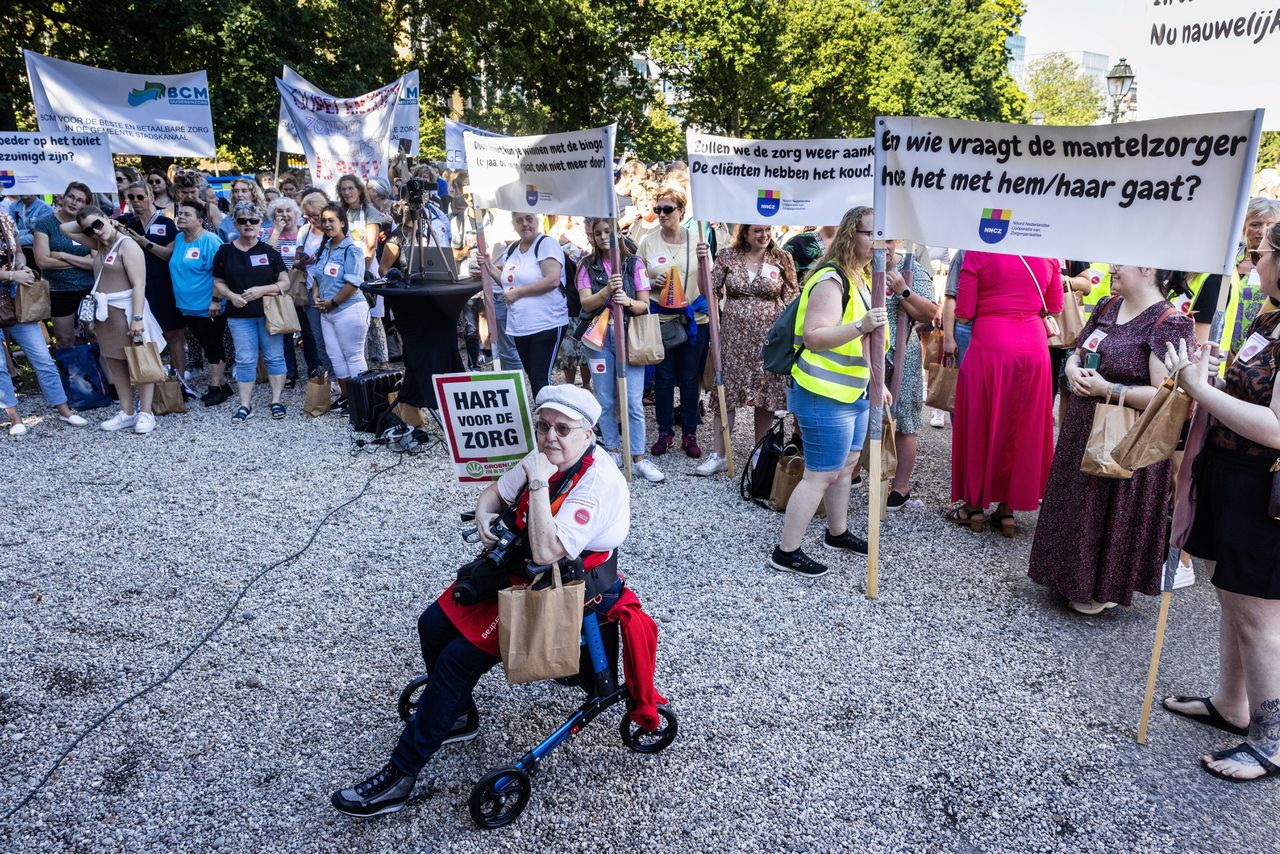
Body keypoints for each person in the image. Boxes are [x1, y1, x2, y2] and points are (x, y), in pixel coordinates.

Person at [331, 384, 652, 817]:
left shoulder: (597, 482)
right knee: (432, 624)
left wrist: (538, 484)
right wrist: (484, 516)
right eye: (543, 426)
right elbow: (495, 495)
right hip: (522, 571)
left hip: (566, 586)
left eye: (562, 429)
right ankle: (458, 716)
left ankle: (400, 777)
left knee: (457, 662)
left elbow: (545, 550)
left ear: (589, 433)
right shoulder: (545, 458)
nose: (550, 437)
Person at [1160, 223, 1280, 782]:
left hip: (1263, 488)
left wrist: (1198, 387)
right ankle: (1233, 707)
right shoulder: (1269, 315)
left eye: (1260, 253)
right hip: (1233, 477)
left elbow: (1277, 427)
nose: (1253, 262)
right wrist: (1216, 364)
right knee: (1233, 600)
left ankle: (1273, 740)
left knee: (1257, 614)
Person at [1028, 267, 1195, 613]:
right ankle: (1068, 576)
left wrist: (1110, 390)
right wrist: (1072, 370)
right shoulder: (1106, 306)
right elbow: (1077, 351)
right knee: (1078, 501)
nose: (1113, 267)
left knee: (1105, 504)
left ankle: (1098, 588)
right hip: (1083, 429)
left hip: (1124, 436)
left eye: (1123, 261)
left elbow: (1165, 395)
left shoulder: (1169, 322)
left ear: (1148, 268)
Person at [768, 207, 889, 577]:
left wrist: (877, 383)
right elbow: (814, 337)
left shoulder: (861, 276)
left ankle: (837, 533)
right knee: (820, 474)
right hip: (823, 392)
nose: (880, 243)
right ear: (852, 234)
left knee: (847, 467)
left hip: (853, 392)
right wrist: (860, 324)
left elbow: (871, 341)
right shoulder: (830, 279)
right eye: (873, 234)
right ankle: (786, 551)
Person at [948, 251, 1060, 535]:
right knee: (1023, 426)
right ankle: (1007, 510)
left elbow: (964, 310)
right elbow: (1055, 305)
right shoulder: (1048, 252)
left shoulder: (978, 250)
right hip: (1034, 345)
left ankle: (973, 506)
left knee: (980, 420)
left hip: (991, 341)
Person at [698, 224, 798, 475]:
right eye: (757, 230)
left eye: (767, 230)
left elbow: (791, 298)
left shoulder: (782, 258)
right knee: (727, 393)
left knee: (764, 397)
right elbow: (709, 291)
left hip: (769, 339)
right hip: (734, 338)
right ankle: (720, 454)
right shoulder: (727, 256)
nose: (764, 235)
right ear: (744, 233)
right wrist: (702, 264)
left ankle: (759, 453)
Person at [576, 218, 664, 482]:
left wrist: (626, 300)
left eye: (608, 232)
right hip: (599, 337)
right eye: (598, 233)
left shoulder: (634, 263)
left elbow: (644, 304)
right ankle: (613, 451)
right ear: (591, 236)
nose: (603, 237)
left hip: (630, 337)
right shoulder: (586, 265)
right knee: (605, 398)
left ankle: (638, 456)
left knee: (633, 400)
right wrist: (606, 290)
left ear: (617, 232)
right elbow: (586, 302)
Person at [61, 208, 160, 433]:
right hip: (105, 313)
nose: (95, 231)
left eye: (98, 224)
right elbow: (64, 228)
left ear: (107, 218)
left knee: (140, 361)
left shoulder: (126, 244)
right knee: (116, 363)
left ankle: (146, 412)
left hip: (127, 310)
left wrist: (137, 318)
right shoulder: (100, 244)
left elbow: (139, 285)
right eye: (88, 230)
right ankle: (126, 411)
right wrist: (91, 225)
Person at [0, 211, 89, 435]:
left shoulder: (5, 218)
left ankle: (63, 409)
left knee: (42, 357)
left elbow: (19, 252)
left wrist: (21, 267)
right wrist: (11, 276)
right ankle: (15, 418)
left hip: (17, 300)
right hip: (12, 287)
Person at [638, 186, 710, 458]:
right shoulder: (648, 241)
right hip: (662, 320)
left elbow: (707, 286)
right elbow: (638, 278)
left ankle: (689, 432)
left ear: (681, 211)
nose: (661, 214)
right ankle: (665, 432)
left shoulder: (697, 241)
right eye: (658, 209)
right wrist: (648, 281)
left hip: (694, 320)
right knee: (665, 379)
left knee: (690, 380)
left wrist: (705, 261)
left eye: (668, 209)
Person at [213, 202, 291, 423]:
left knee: (275, 357)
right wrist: (231, 296)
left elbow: (284, 283)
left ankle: (276, 400)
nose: (248, 224)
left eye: (253, 220)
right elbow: (218, 282)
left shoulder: (268, 251)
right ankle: (245, 404)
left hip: (269, 314)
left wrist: (262, 290)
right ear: (235, 223)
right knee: (245, 359)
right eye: (243, 220)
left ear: (260, 224)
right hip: (239, 316)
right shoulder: (225, 251)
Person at [476, 212, 567, 397]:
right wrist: (489, 265)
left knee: (541, 379)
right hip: (521, 326)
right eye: (519, 220)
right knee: (533, 376)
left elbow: (552, 280)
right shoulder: (513, 249)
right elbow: (509, 285)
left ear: (537, 220)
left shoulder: (546, 244)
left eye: (529, 219)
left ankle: (547, 420)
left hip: (547, 323)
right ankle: (542, 418)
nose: (525, 224)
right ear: (513, 224)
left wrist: (518, 293)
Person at [883, 242, 941, 508]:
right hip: (863, 350)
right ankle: (859, 474)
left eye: (888, 240)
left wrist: (903, 291)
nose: (884, 246)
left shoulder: (910, 269)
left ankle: (900, 487)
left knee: (904, 417)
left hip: (901, 351)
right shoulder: (859, 267)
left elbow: (929, 313)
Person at [115, 181, 187, 388]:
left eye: (140, 197)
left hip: (164, 284)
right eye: (131, 198)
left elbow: (169, 254)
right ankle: (152, 381)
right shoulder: (124, 224)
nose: (136, 202)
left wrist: (142, 241)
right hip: (137, 287)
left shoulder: (166, 224)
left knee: (174, 334)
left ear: (151, 198)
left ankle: (179, 382)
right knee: (145, 336)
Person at [166, 199, 230, 405]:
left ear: (200, 220)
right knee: (206, 344)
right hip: (187, 306)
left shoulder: (210, 240)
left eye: (187, 214)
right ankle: (222, 383)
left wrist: (216, 300)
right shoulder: (179, 238)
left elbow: (221, 273)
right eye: (180, 213)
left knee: (212, 346)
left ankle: (216, 387)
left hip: (208, 306)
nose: (181, 217)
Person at [310, 203, 371, 405]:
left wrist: (333, 303)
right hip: (327, 312)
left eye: (331, 220)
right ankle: (348, 399)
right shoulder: (325, 248)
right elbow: (318, 276)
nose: (327, 224)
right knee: (336, 358)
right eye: (324, 220)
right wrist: (317, 297)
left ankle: (362, 401)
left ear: (342, 222)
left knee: (353, 357)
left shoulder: (352, 250)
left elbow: (354, 283)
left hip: (348, 309)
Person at [32, 181, 94, 349]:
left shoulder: (88, 225)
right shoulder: (45, 223)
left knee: (95, 336)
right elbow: (43, 261)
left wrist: (61, 255)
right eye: (71, 197)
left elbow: (96, 263)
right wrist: (82, 261)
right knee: (65, 341)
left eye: (80, 200)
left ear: (86, 205)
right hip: (59, 291)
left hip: (89, 290)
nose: (74, 202)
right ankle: (72, 375)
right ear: (63, 198)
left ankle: (98, 374)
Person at [294, 192, 334, 379]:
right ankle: (330, 378)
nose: (311, 219)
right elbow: (296, 260)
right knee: (318, 339)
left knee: (335, 338)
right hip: (310, 291)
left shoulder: (334, 230)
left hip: (332, 291)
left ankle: (342, 377)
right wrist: (302, 262)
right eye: (307, 216)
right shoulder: (304, 231)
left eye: (314, 215)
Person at [7, 194, 53, 269]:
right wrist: (28, 232)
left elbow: (39, 237)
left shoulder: (45, 208)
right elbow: (9, 231)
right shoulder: (14, 205)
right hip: (16, 253)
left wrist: (15, 239)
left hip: (36, 254)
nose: (24, 192)